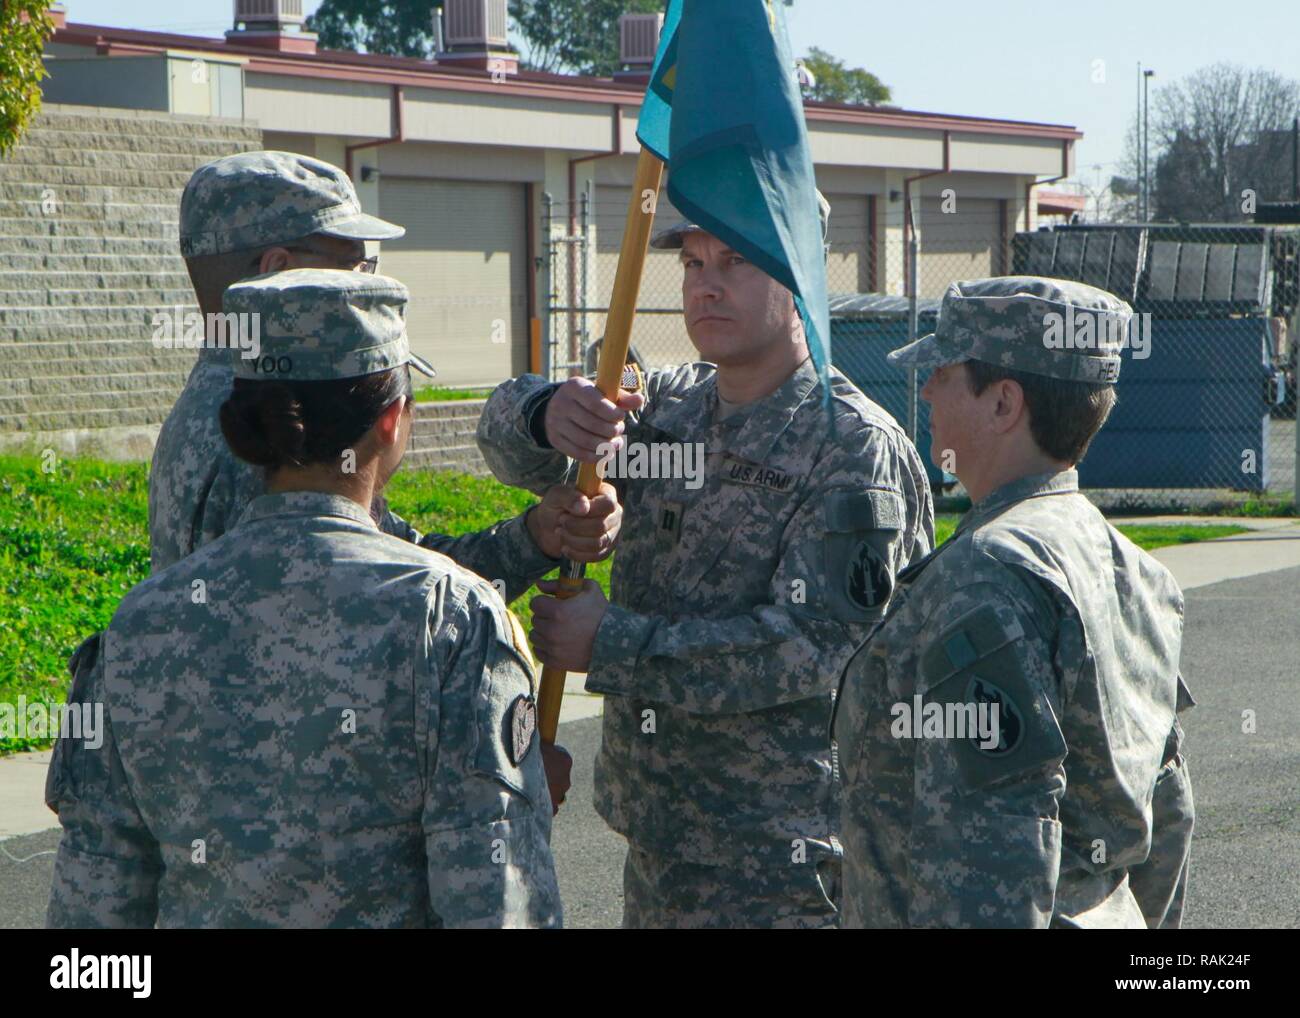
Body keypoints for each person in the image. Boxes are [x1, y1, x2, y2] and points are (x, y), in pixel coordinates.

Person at [46, 270, 562, 928]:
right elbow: (498, 905)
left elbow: (91, 918)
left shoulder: (140, 623)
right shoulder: (450, 618)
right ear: (392, 417)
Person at [475, 202, 935, 928]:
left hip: (782, 863)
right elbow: (506, 440)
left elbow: (820, 650)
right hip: (659, 843)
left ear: (799, 277)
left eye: (735, 262)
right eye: (693, 263)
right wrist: (547, 412)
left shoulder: (850, 447)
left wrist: (614, 643)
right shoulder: (669, 411)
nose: (705, 287)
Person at [155, 150, 618, 803]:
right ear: (278, 271)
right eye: (355, 261)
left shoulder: (242, 413)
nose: (371, 277)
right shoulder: (256, 445)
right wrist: (507, 776)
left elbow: (399, 568)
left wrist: (535, 537)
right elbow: (351, 687)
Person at [833, 276, 1195, 929]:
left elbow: (983, 860)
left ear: (1003, 403)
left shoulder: (984, 577)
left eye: (942, 373)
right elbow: (1167, 815)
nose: (924, 391)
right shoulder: (1132, 567)